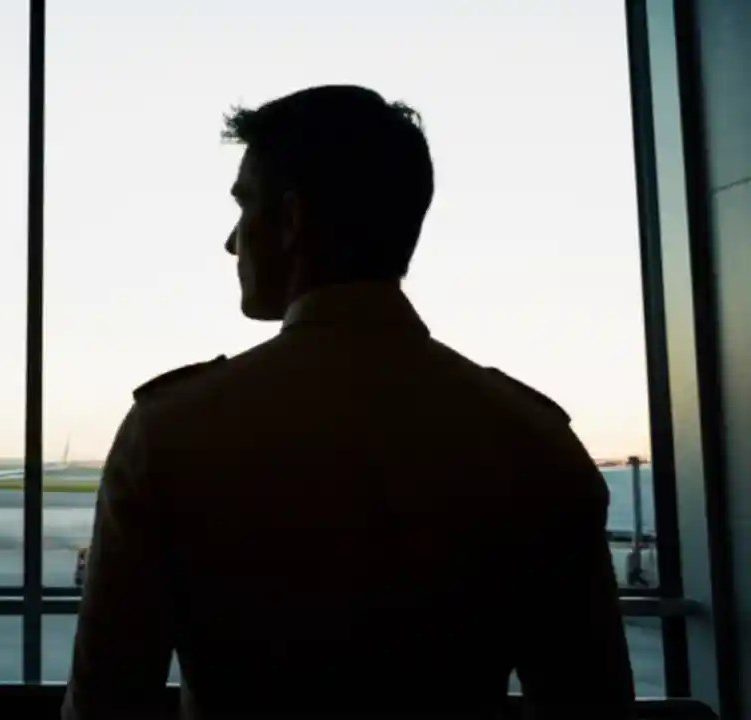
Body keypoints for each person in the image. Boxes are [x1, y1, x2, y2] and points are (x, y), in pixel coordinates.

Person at [61, 85, 635, 719]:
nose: (231, 241)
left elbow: (107, 704)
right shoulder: (534, 438)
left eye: (245, 206)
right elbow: (591, 702)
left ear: (291, 222)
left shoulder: (169, 431)